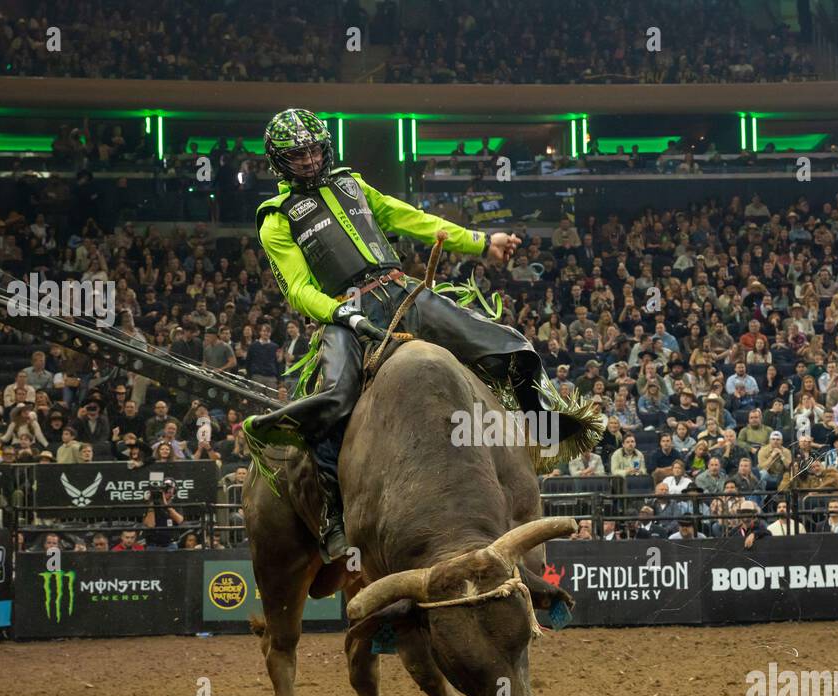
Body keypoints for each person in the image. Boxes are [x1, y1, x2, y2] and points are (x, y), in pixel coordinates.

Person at [243, 108, 598, 562]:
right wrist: (343, 315)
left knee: (509, 343)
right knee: (333, 401)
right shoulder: (276, 218)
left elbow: (408, 217)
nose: (311, 160)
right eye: (299, 155)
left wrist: (478, 241)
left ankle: (541, 426)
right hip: (345, 313)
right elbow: (297, 289)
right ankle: (332, 517)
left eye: (315, 150)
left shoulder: (352, 184)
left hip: (401, 290)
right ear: (280, 161)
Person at [142, 479, 185, 549]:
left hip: (170, 544)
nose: (165, 493)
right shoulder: (150, 505)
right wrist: (151, 505)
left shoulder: (175, 505)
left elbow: (179, 520)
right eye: (164, 491)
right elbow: (150, 525)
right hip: (153, 545)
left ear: (174, 492)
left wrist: (166, 506)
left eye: (168, 491)